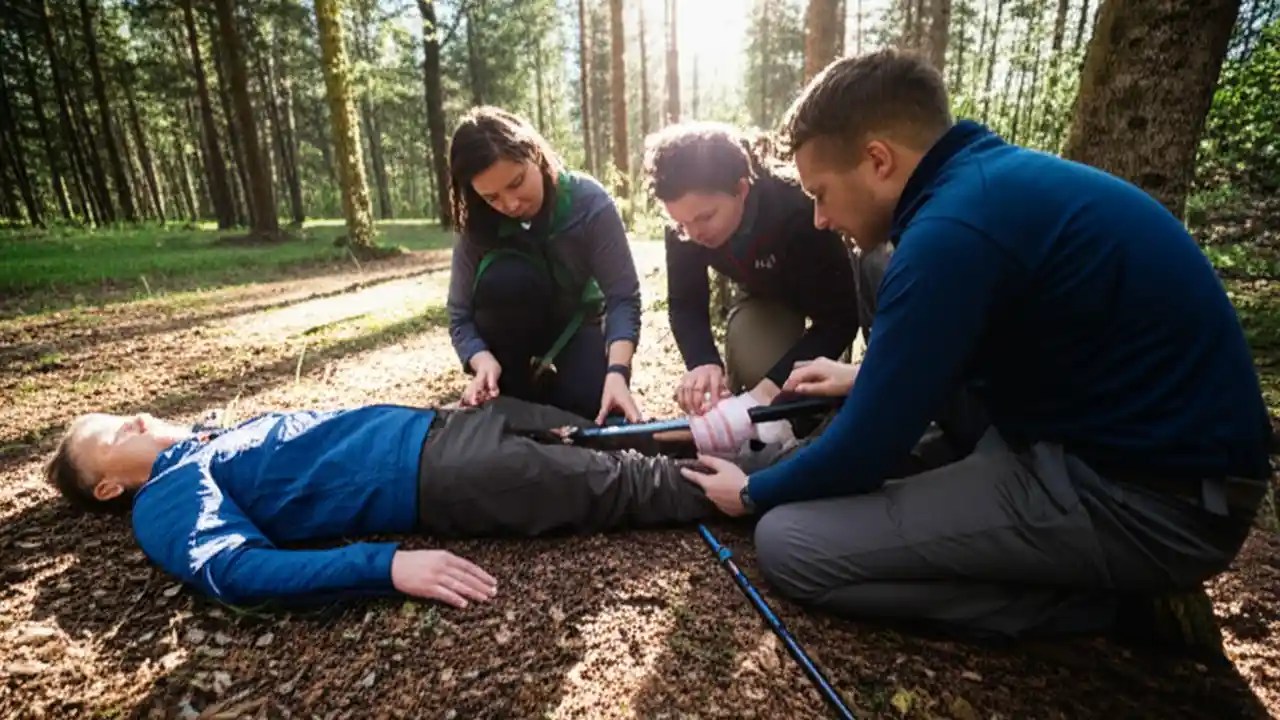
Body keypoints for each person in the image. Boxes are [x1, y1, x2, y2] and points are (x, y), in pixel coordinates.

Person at [679, 50, 1273, 642]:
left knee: (791, 544)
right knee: (876, 289)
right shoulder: (982, 186)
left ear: (878, 160)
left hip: (1150, 501)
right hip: (1103, 439)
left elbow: (865, 452)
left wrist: (753, 492)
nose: (818, 218)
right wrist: (870, 377)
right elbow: (1005, 340)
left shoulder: (951, 233)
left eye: (822, 193)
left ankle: (1109, 608)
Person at [42, 398, 726, 609]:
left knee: (628, 437)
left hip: (448, 426)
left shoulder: (207, 440)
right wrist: (386, 566)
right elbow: (235, 571)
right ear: (108, 487)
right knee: (640, 484)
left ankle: (790, 431)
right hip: (444, 474)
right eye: (110, 435)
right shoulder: (164, 496)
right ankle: (792, 479)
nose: (132, 418)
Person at [642, 122, 859, 417]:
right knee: (758, 361)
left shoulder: (797, 206)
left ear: (741, 189)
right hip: (765, 296)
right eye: (681, 224)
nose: (694, 234)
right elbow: (685, 302)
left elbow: (842, 316)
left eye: (706, 217)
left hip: (826, 297)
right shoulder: (687, 221)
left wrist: (769, 390)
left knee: (793, 386)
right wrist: (702, 361)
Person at [447, 106, 643, 424]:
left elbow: (623, 296)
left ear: (535, 153)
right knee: (507, 279)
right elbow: (459, 314)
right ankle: (513, 396)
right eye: (491, 197)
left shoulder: (588, 203)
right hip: (509, 337)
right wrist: (480, 360)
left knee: (590, 409)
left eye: (517, 182)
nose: (510, 204)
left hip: (578, 326)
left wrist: (618, 371)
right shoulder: (476, 226)